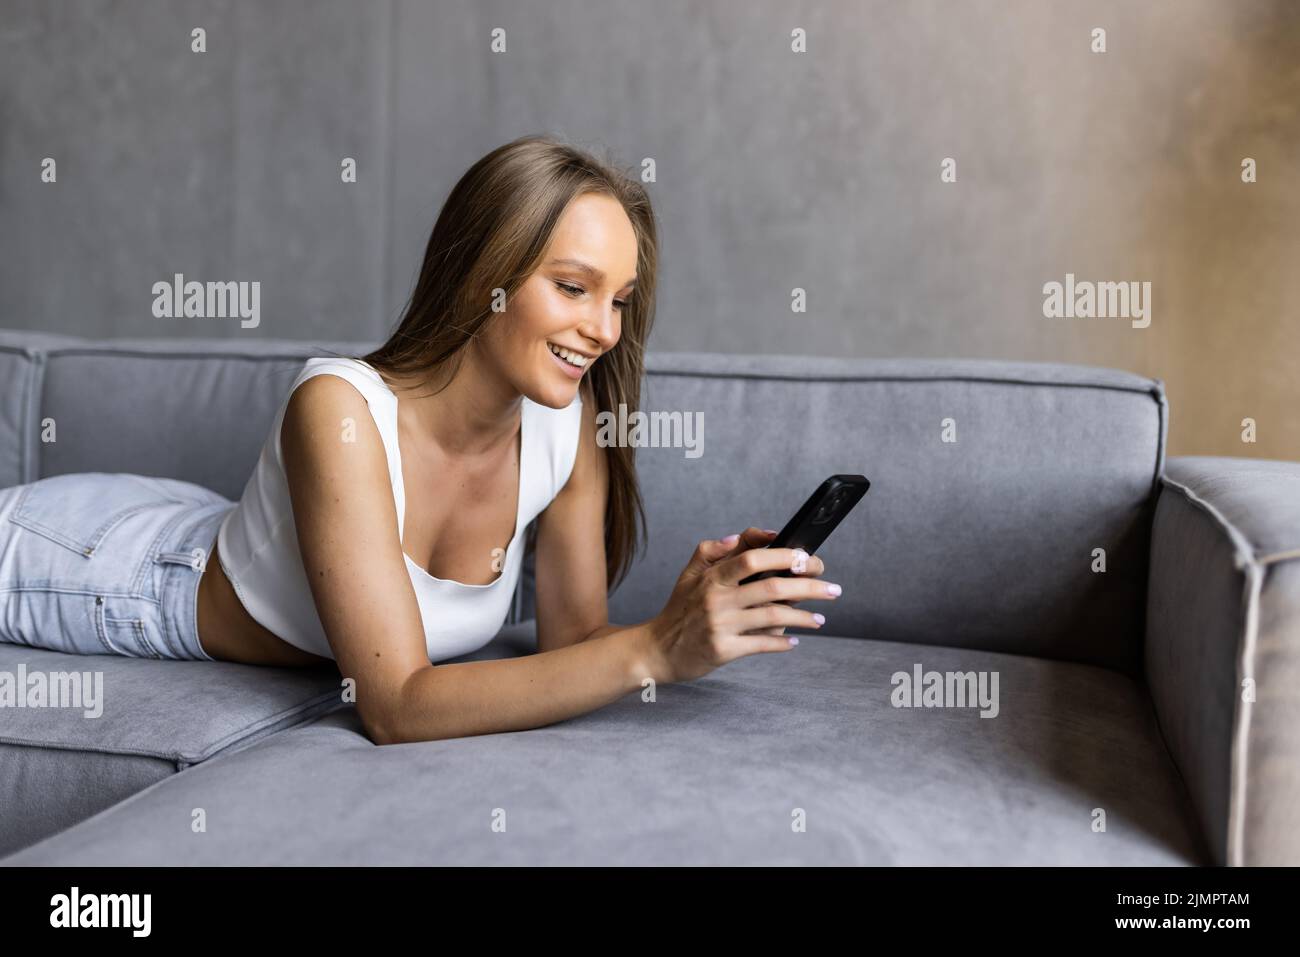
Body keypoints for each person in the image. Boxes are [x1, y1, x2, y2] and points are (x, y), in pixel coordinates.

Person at [0, 134, 840, 743]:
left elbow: (578, 648)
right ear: (488, 278)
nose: (605, 329)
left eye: (619, 298)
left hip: (207, 523)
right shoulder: (335, 409)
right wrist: (656, 649)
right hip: (111, 567)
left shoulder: (568, 424)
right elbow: (395, 704)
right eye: (575, 287)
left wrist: (688, 612)